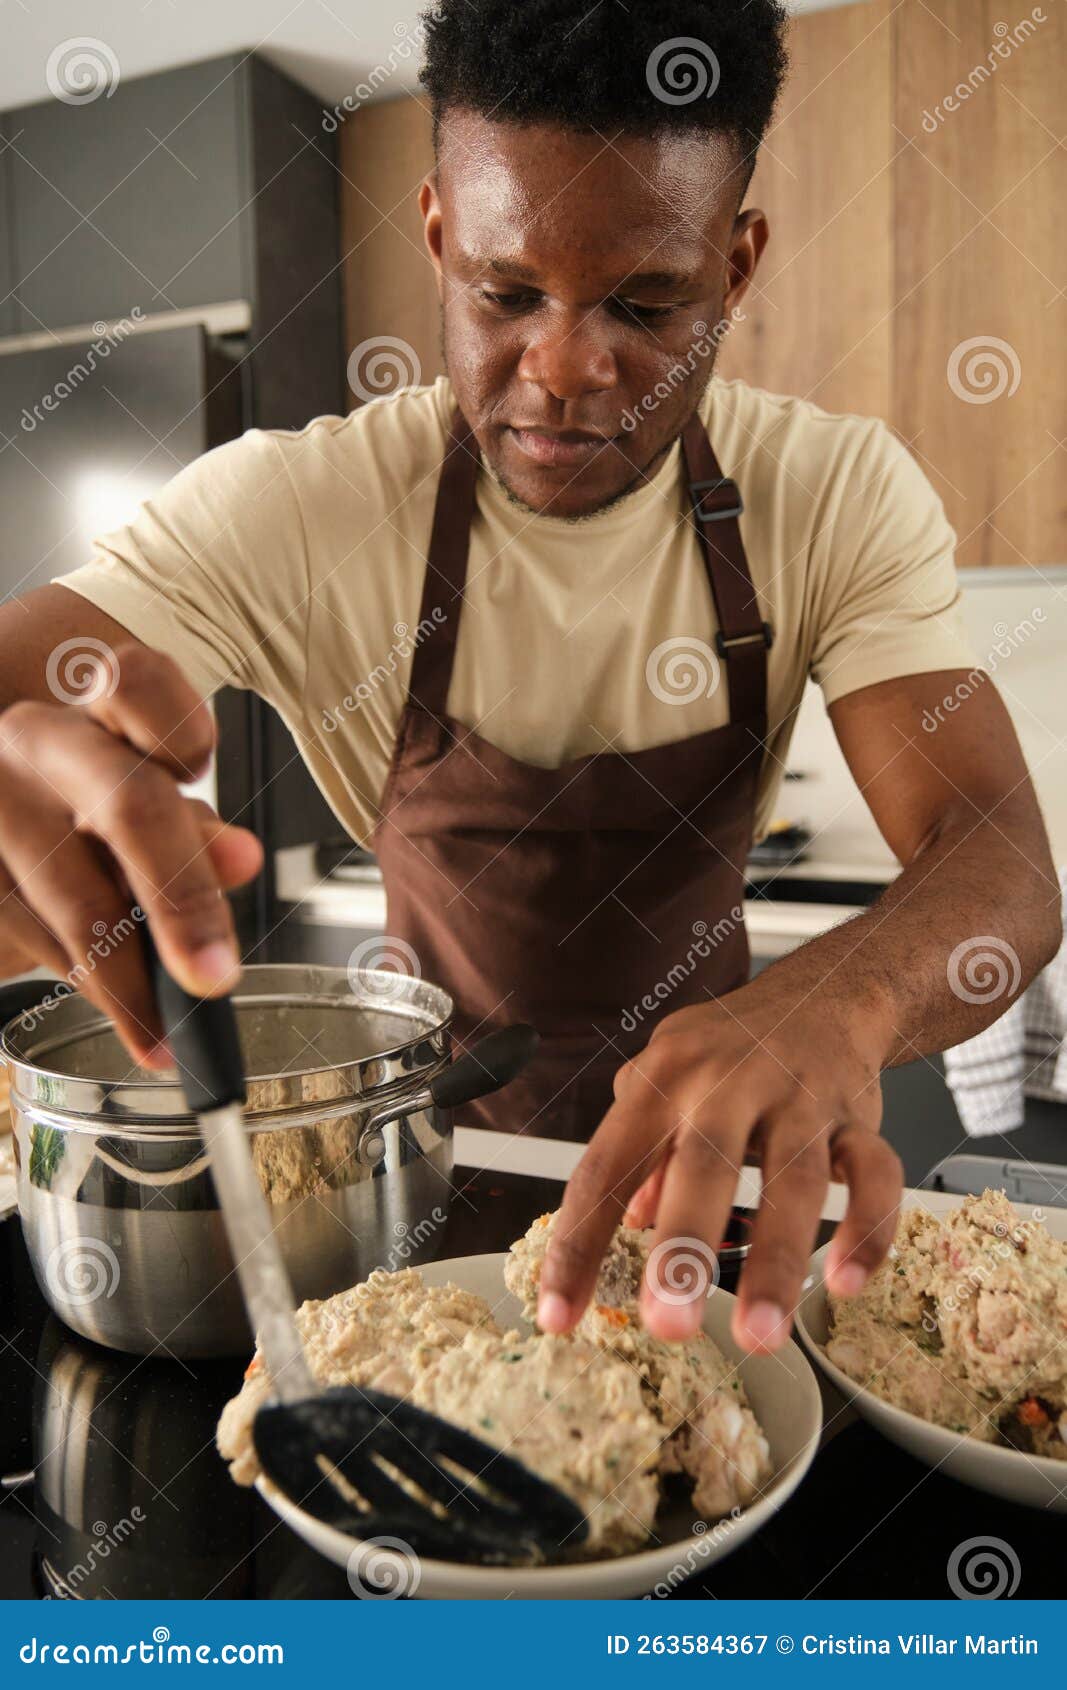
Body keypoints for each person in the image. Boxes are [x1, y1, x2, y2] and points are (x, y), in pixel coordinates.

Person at [0, 0, 1058, 1358]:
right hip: (404, 1209)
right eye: (506, 296)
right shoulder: (299, 506)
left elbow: (1002, 865)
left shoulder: (835, 494)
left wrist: (835, 998)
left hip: (711, 1202)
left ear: (737, 267)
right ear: (439, 234)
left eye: (647, 301)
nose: (564, 369)